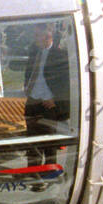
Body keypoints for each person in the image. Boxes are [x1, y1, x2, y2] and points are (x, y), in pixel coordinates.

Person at [23, 24, 71, 168]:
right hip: (33, 101)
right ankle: (33, 170)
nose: (35, 38)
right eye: (35, 35)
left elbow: (66, 82)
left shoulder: (60, 55)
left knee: (49, 141)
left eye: (38, 35)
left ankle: (49, 170)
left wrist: (55, 99)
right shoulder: (34, 52)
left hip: (48, 105)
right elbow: (30, 73)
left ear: (48, 35)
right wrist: (27, 87)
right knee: (31, 140)